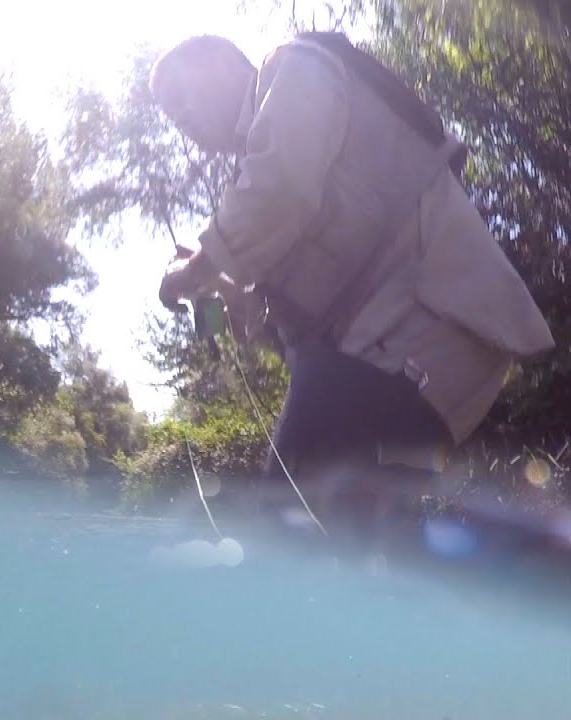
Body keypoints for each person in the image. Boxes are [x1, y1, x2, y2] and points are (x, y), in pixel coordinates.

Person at [147, 32, 555, 534]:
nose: (182, 121)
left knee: (287, 532)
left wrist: (193, 271)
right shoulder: (269, 143)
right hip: (411, 361)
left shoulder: (293, 65)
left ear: (223, 65)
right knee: (359, 548)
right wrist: (226, 288)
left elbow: (279, 189)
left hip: (419, 334)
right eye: (171, 115)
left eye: (182, 97)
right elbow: (284, 303)